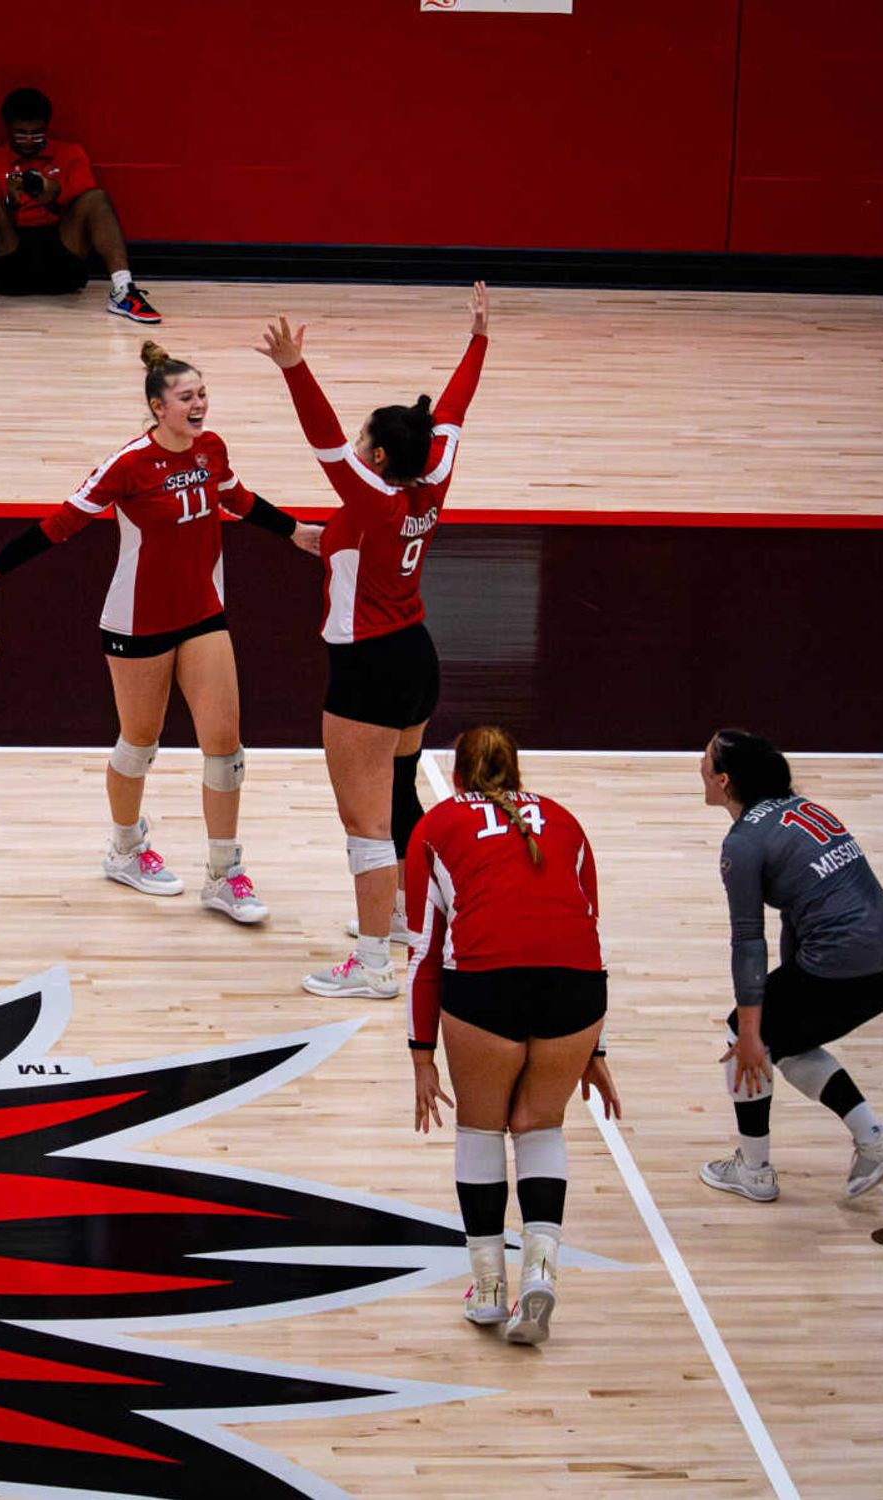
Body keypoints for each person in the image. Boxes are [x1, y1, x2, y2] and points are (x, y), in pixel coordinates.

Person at [0, 341, 321, 922]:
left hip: (204, 612)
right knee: (139, 744)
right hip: (137, 622)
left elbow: (233, 496)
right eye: (187, 397)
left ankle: (224, 874)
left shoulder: (210, 449)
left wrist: (291, 530)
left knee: (226, 750)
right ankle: (125, 848)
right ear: (158, 407)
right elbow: (59, 525)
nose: (199, 404)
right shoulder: (128, 465)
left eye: (202, 393)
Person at [256, 283, 488, 999]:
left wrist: (295, 366)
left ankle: (374, 966)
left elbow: (323, 440)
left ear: (381, 457)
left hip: (367, 668)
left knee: (364, 821)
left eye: (366, 444)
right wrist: (477, 343)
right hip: (416, 657)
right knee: (395, 797)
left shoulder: (374, 496)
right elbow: (451, 413)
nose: (355, 450)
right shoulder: (432, 480)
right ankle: (404, 920)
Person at [405, 726, 619, 1346]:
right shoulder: (566, 821)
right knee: (541, 1125)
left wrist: (421, 1055)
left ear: (460, 774)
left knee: (481, 1128)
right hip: (578, 993)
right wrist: (595, 1047)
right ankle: (542, 1271)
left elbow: (425, 953)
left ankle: (490, 1287)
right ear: (517, 772)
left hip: (487, 984)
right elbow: (591, 932)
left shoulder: (436, 826)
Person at [699, 729, 883, 1202]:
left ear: (724, 781)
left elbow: (748, 942)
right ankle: (876, 1140)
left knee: (743, 1034)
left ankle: (754, 1171)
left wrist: (749, 1033)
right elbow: (796, 914)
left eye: (706, 762)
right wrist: (780, 1004)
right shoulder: (805, 810)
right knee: (786, 1036)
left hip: (844, 964)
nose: (700, 767)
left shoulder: (744, 843)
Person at [0, 87, 160, 329]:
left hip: (62, 262)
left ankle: (124, 290)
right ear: (8, 129)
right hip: (8, 265)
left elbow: (82, 209)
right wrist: (11, 202)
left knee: (97, 198)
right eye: (21, 133)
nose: (28, 140)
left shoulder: (72, 154)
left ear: (47, 127)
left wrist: (52, 195)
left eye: (36, 134)